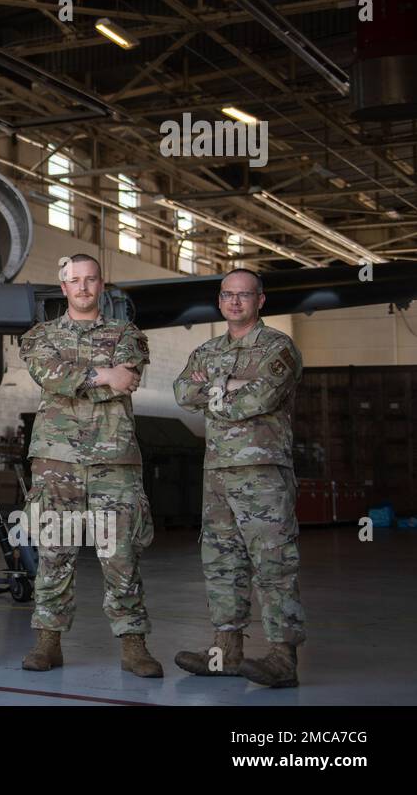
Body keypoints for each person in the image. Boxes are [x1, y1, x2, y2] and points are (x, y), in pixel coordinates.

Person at [18, 254, 162, 678]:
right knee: (54, 552)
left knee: (120, 554)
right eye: (74, 281)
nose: (82, 287)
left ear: (102, 285)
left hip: (113, 459)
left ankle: (133, 644)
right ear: (63, 288)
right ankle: (48, 641)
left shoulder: (127, 334)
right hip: (56, 459)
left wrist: (80, 379)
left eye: (90, 280)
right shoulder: (40, 336)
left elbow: (127, 379)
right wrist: (103, 377)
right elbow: (51, 375)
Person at [173, 268, 306, 688]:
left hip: (263, 471)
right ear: (219, 300)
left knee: (274, 564)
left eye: (244, 295)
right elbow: (181, 392)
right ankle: (226, 654)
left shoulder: (278, 347)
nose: (235, 302)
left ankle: (283, 658)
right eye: (228, 295)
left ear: (260, 301)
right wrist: (230, 384)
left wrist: (215, 392)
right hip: (217, 473)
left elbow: (262, 397)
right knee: (221, 562)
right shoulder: (208, 350)